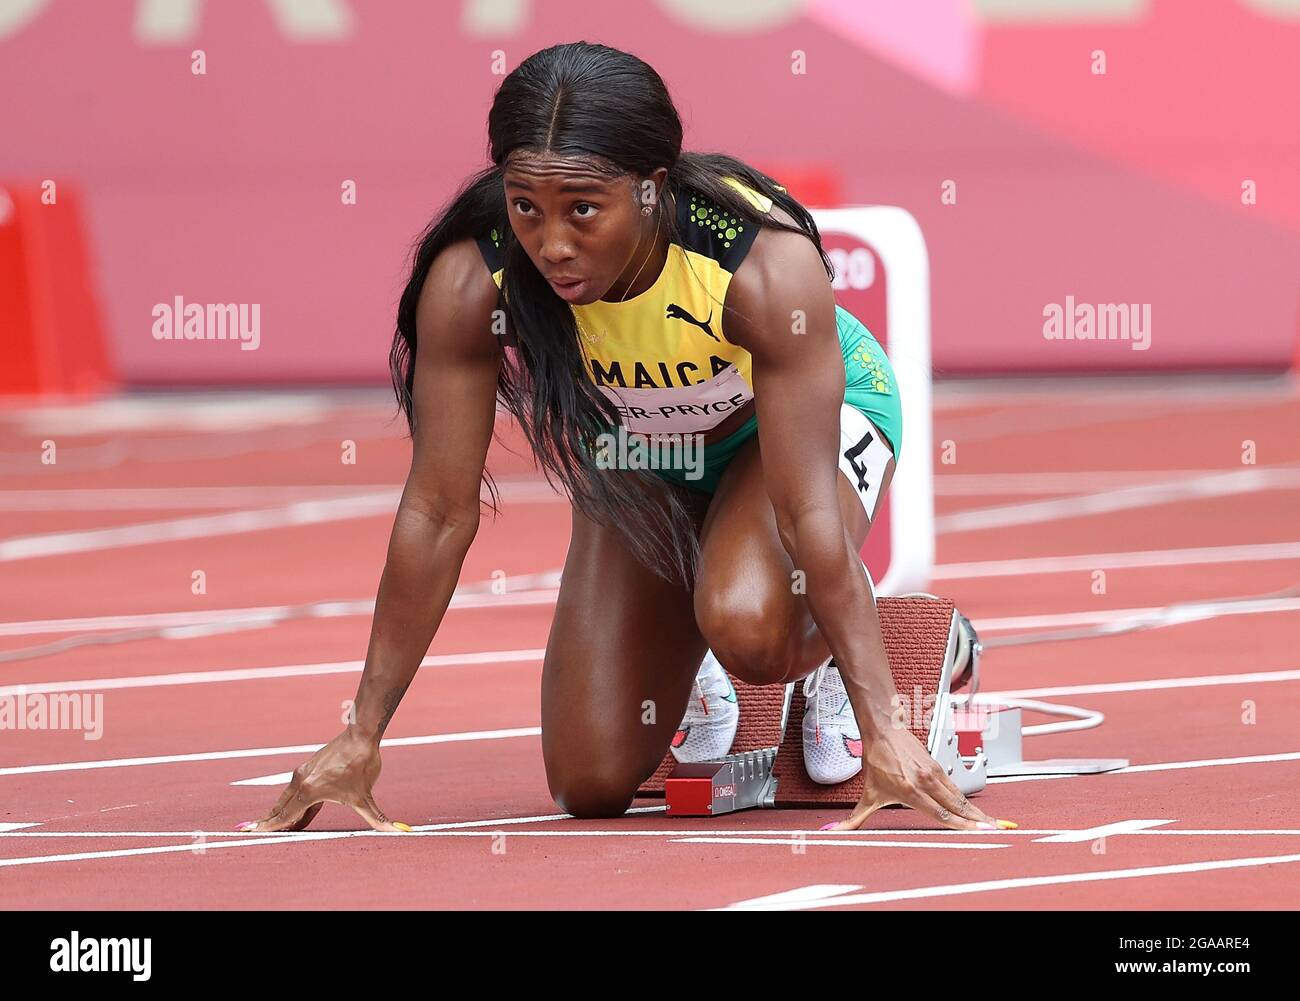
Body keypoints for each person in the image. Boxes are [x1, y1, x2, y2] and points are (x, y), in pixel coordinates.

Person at [240, 41, 1013, 836]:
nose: (552, 244)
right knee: (590, 778)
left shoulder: (758, 263)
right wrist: (362, 730)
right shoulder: (475, 278)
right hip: (642, 451)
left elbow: (807, 512)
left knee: (751, 623)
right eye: (525, 205)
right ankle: (702, 633)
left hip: (799, 429)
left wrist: (883, 723)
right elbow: (438, 510)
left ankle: (872, 645)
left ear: (650, 191)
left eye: (582, 208)